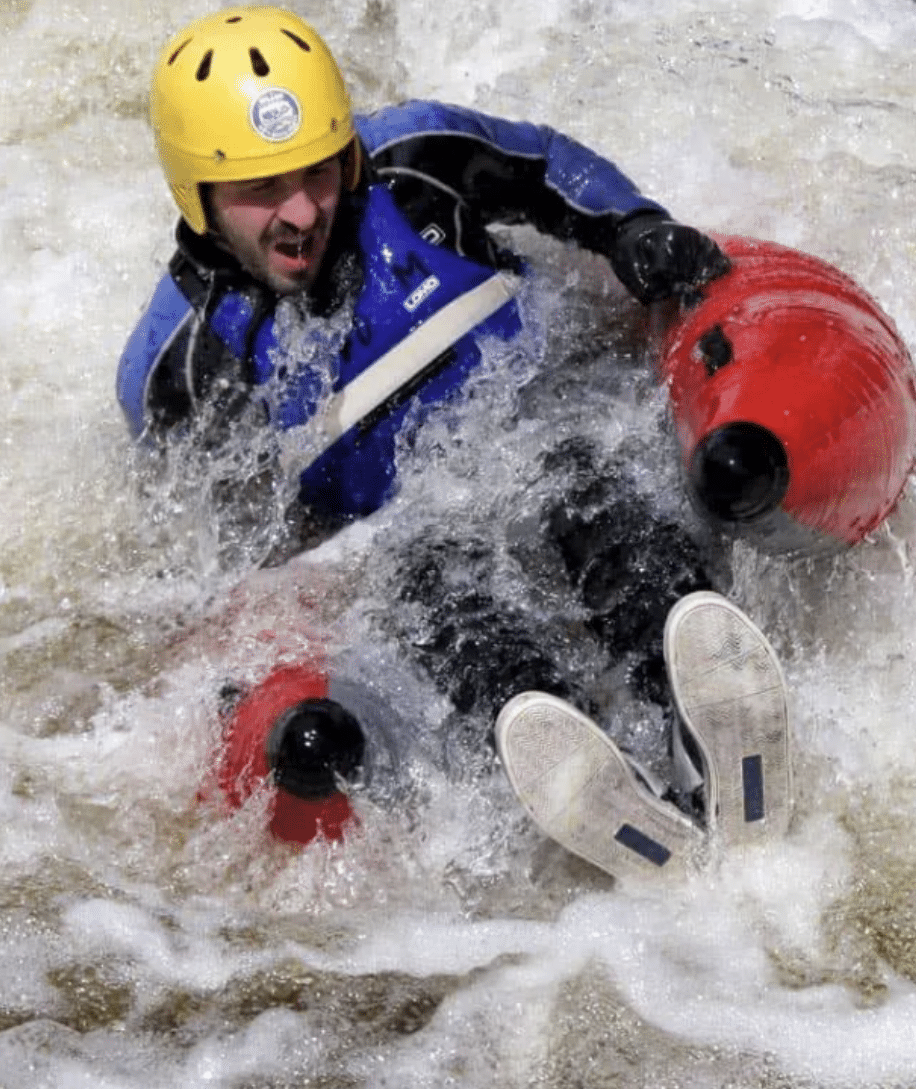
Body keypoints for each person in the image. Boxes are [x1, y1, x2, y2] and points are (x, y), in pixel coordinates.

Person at [118, 6, 791, 881]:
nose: (299, 213)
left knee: (594, 497)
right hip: (399, 534)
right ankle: (581, 765)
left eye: (316, 173)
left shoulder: (414, 160)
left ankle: (704, 709)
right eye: (258, 189)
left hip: (542, 422)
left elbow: (548, 167)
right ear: (194, 194)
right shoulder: (185, 363)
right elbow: (228, 556)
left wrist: (629, 226)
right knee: (448, 597)